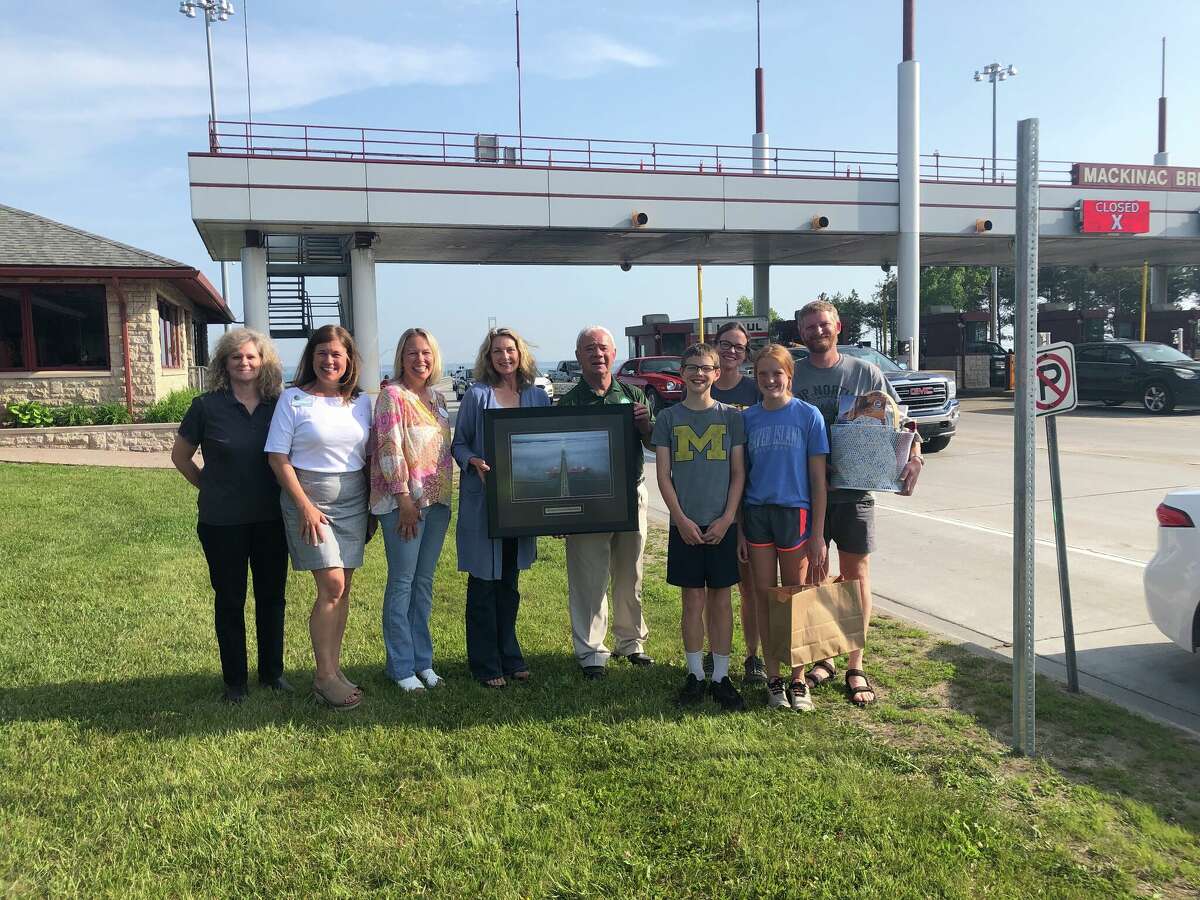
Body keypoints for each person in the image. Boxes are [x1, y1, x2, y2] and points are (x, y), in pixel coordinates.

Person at [791, 299, 924, 707]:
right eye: (810, 327)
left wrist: (914, 455)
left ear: (838, 327)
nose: (817, 332)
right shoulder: (792, 375)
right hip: (803, 492)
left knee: (856, 576)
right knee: (815, 577)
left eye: (823, 325)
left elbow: (897, 424)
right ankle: (824, 656)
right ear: (801, 332)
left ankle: (855, 663)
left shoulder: (865, 372)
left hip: (854, 491)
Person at [172, 327, 289, 704]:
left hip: (272, 519)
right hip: (222, 522)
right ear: (224, 363)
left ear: (263, 362)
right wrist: (209, 486)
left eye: (252, 356)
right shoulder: (205, 406)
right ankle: (234, 682)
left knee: (272, 598)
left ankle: (272, 674)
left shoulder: (279, 405)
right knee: (230, 599)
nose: (244, 362)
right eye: (236, 357)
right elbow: (180, 457)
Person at [266, 324, 373, 711]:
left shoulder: (360, 402)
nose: (330, 360)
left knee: (343, 588)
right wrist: (305, 506)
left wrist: (373, 507)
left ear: (349, 361)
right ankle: (323, 677)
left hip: (354, 501)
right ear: (312, 358)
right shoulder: (292, 399)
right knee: (330, 585)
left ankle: (334, 667)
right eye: (322, 354)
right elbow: (278, 457)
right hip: (309, 502)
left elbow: (368, 457)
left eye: (337, 355)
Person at [452, 326, 550, 688]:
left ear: (520, 354)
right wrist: (473, 460)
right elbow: (458, 444)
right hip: (485, 504)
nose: (505, 357)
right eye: (497, 352)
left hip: (522, 504)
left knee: (509, 584)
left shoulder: (537, 397)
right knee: (483, 584)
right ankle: (485, 663)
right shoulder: (478, 396)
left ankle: (510, 655)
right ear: (488, 357)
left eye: (510, 350)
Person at [557, 325, 655, 680]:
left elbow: (656, 445)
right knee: (589, 575)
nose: (597, 354)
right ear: (578, 355)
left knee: (631, 574)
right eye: (589, 349)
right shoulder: (568, 402)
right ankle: (591, 650)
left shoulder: (633, 395)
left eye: (602, 348)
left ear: (614, 354)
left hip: (631, 494)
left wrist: (646, 426)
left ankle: (631, 642)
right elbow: (561, 454)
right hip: (587, 500)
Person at [654, 343, 746, 711]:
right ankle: (694, 673)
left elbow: (739, 473)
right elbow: (663, 476)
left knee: (721, 601)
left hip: (721, 523)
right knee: (692, 599)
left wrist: (727, 518)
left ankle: (721, 676)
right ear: (682, 372)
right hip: (686, 523)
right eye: (692, 367)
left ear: (717, 373)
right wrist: (680, 518)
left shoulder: (731, 418)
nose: (699, 374)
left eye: (706, 368)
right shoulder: (668, 418)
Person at [739, 344, 829, 712]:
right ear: (755, 378)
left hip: (796, 515)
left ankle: (798, 678)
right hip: (758, 513)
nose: (770, 380)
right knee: (763, 595)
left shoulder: (809, 416)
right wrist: (742, 529)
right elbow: (740, 478)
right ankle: (773, 677)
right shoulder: (748, 419)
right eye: (763, 374)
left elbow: (818, 480)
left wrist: (819, 534)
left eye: (777, 373)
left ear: (789, 375)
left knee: (796, 596)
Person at [370, 328, 453, 693]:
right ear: (401, 358)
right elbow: (389, 449)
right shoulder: (392, 396)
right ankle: (400, 665)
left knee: (424, 584)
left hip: (438, 504)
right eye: (412, 353)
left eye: (426, 353)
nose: (420, 359)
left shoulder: (437, 398)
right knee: (402, 583)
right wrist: (404, 500)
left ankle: (423, 662)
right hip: (403, 504)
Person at [709, 321, 766, 685]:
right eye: (725, 344)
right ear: (714, 346)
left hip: (748, 500)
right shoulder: (700, 384)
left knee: (750, 586)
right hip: (707, 500)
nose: (731, 351)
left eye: (739, 347)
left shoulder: (755, 390)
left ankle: (753, 656)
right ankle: (716, 656)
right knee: (713, 588)